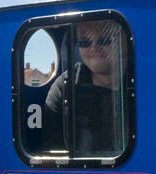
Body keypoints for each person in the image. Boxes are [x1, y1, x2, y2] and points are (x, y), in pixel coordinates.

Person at [42, 20, 121, 155]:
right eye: (84, 42)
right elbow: (52, 147)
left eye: (105, 40)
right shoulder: (64, 87)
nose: (94, 47)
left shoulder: (145, 82)